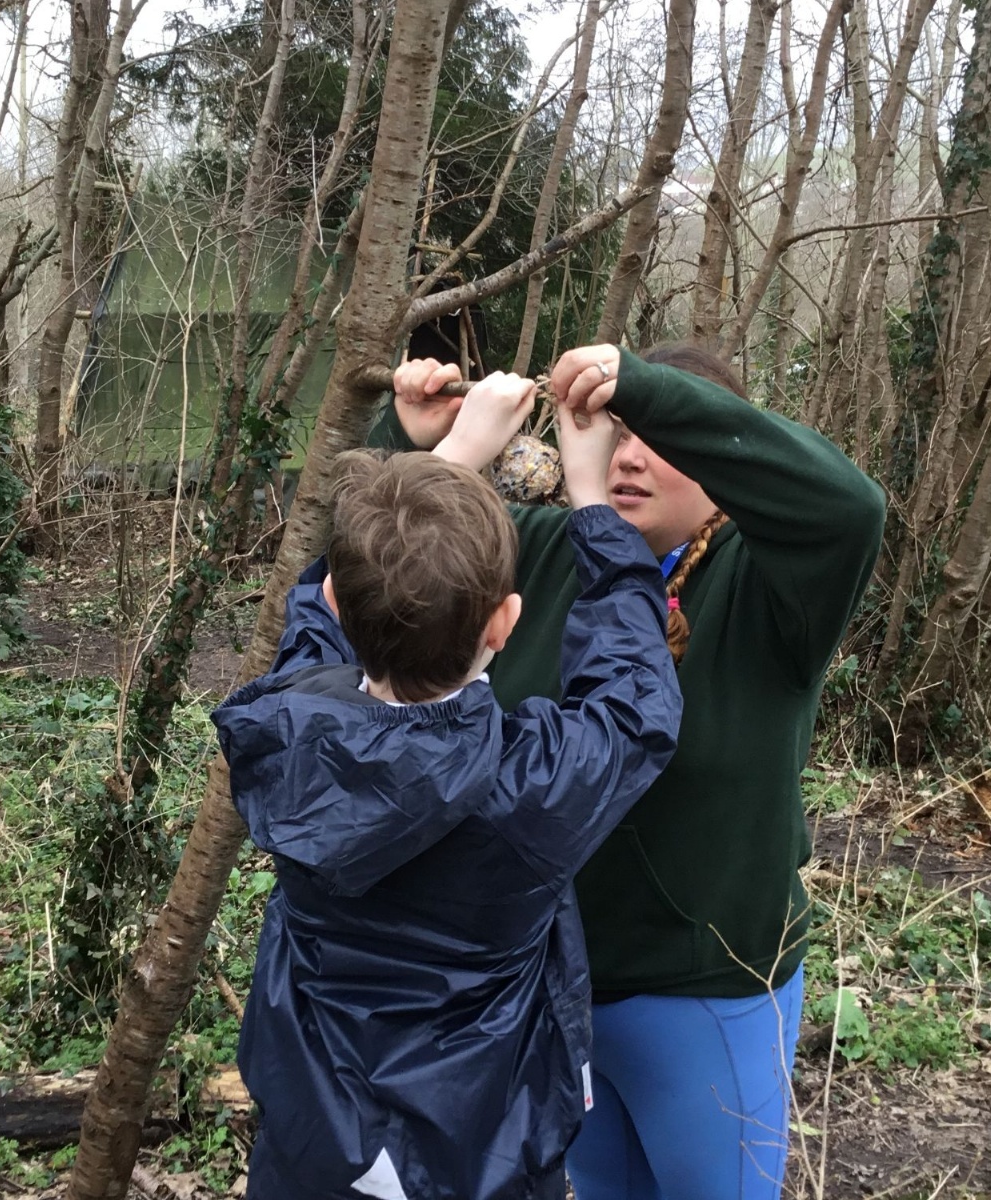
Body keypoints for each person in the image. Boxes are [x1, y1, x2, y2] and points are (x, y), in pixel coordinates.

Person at [378, 343, 887, 1200]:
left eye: (661, 438)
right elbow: (378, 578)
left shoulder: (767, 587)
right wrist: (420, 445)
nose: (631, 456)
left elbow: (851, 508)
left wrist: (647, 389)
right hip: (551, 986)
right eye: (614, 434)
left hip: (705, 994)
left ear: (725, 463)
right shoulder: (540, 554)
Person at [212, 370, 683, 1200]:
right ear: (506, 621)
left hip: (314, 1142)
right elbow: (636, 702)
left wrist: (457, 451)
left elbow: (319, 606)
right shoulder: (530, 784)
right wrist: (590, 499)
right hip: (481, 1149)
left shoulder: (288, 729)